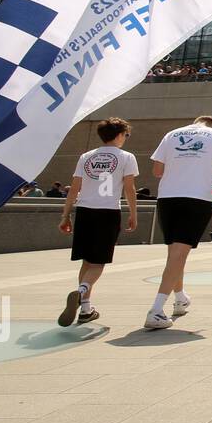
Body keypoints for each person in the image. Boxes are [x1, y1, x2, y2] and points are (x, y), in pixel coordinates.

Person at [146, 115, 212, 330]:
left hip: (167, 197)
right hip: (196, 197)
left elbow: (157, 171)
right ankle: (156, 309)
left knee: (175, 252)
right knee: (179, 253)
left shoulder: (171, 135)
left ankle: (180, 297)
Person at [56, 118, 138, 326]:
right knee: (99, 261)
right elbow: (129, 188)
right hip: (108, 211)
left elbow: (74, 188)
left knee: (86, 260)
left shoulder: (86, 156)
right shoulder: (126, 157)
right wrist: (133, 213)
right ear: (119, 135)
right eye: (126, 135)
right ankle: (82, 291)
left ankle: (85, 308)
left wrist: (65, 215)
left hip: (84, 210)